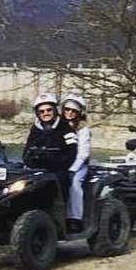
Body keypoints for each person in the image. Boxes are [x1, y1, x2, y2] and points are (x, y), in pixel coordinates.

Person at [58, 94, 92, 229]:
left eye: (73, 111)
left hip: (79, 164)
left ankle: (74, 218)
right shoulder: (58, 125)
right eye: (67, 109)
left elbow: (83, 153)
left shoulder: (83, 129)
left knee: (75, 183)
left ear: (79, 113)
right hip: (60, 162)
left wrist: (72, 169)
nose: (70, 113)